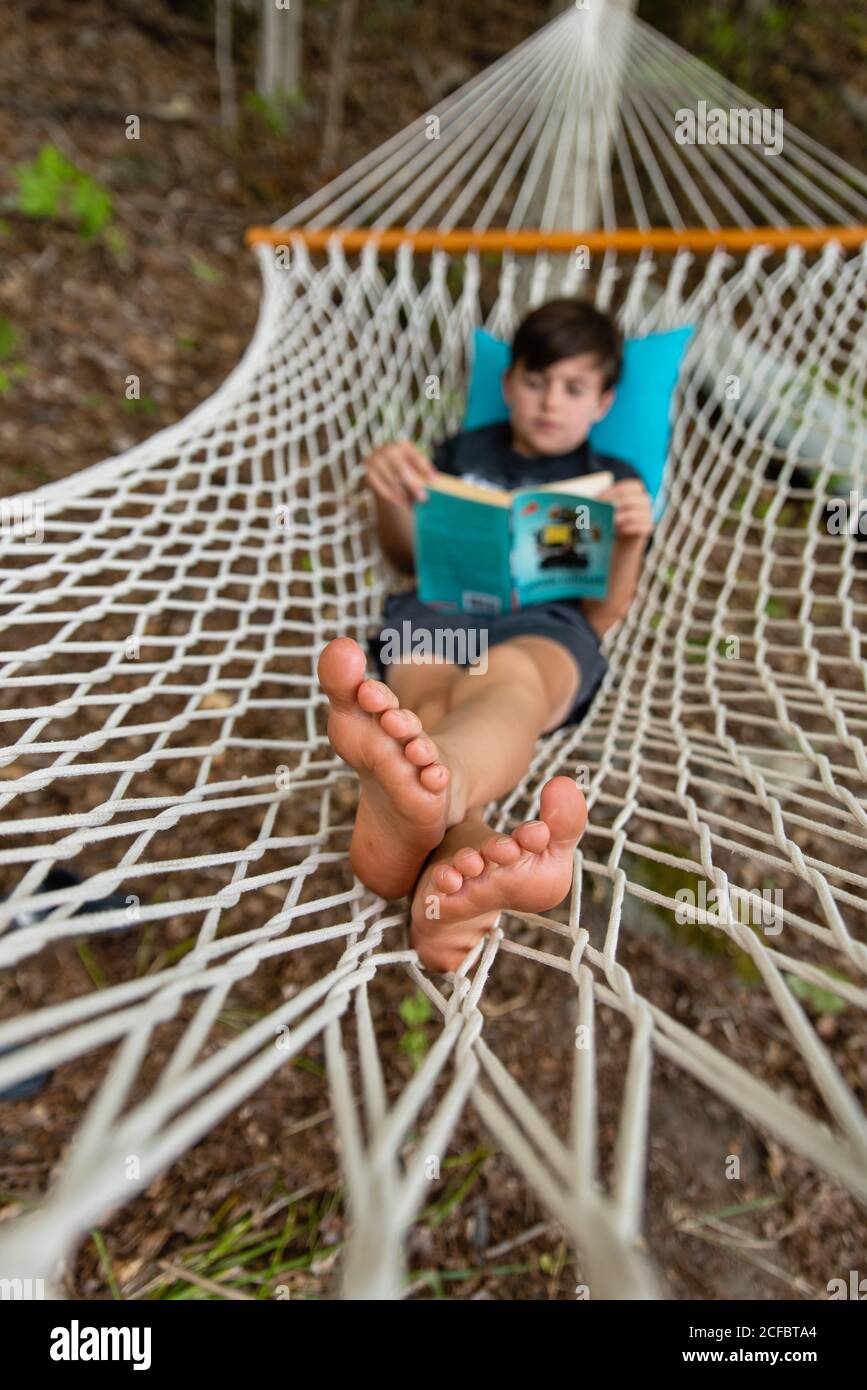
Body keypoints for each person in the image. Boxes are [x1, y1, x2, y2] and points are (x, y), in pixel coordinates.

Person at [316, 297, 654, 972]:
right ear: (508, 385)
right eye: (534, 381)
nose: (549, 401)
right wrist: (389, 496)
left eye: (572, 387)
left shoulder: (613, 483)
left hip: (544, 628)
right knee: (429, 692)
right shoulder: (460, 454)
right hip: (444, 609)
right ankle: (455, 849)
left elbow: (604, 615)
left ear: (602, 402)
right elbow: (407, 558)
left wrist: (629, 540)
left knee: (508, 682)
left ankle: (428, 794)